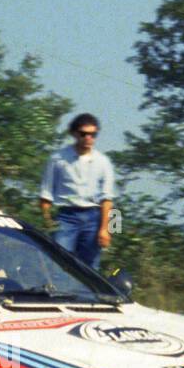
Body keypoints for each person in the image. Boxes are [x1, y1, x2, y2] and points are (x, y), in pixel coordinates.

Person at [38, 113, 116, 271]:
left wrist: (105, 229)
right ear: (74, 133)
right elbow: (46, 195)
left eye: (93, 134)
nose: (88, 138)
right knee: (59, 261)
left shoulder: (103, 162)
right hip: (66, 216)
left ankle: (88, 296)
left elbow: (107, 199)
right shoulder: (58, 159)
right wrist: (48, 221)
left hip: (93, 217)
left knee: (89, 268)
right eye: (84, 134)